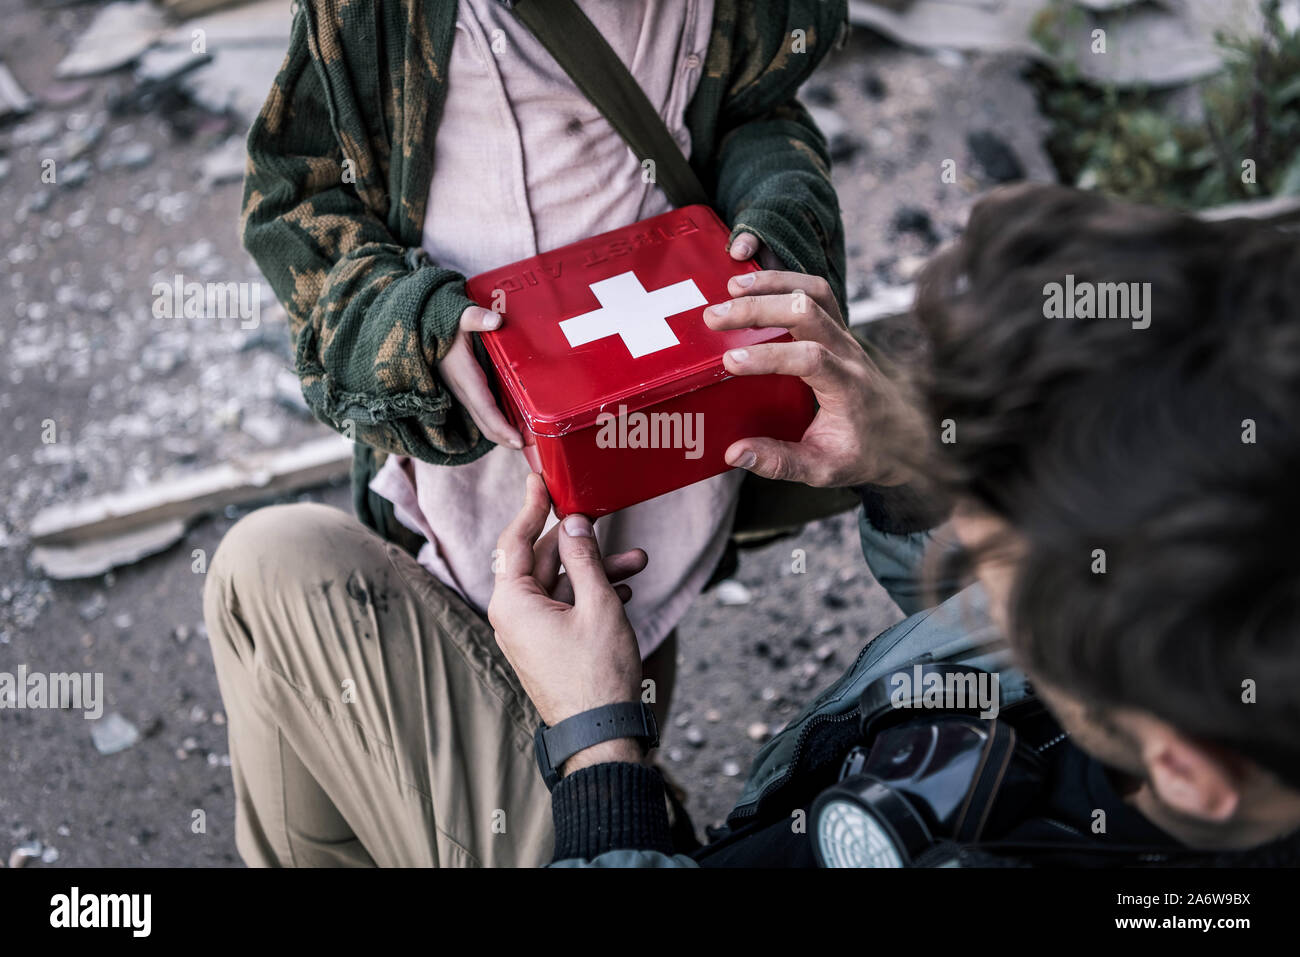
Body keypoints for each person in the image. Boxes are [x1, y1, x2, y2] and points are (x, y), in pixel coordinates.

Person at [236, 0, 848, 740]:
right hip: (477, 433)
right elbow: (295, 197)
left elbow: (758, 112)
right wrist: (407, 327)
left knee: (635, 613)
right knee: (468, 692)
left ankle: (627, 815)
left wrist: (776, 217)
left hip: (666, 393)